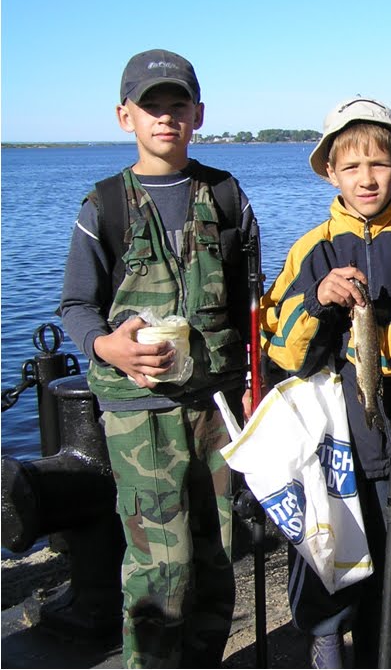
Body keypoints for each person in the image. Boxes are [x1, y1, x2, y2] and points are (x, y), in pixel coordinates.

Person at [59, 49, 255, 667]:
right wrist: (107, 346)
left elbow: (254, 300)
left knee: (219, 556)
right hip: (138, 414)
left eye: (177, 107)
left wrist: (257, 382)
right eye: (151, 108)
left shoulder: (225, 194)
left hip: (218, 407)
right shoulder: (103, 206)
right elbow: (75, 305)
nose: (165, 119)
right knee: (159, 570)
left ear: (198, 115)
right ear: (126, 117)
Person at [260, 97, 391, 668]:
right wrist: (317, 300)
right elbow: (281, 348)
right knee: (325, 544)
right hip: (327, 439)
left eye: (379, 165)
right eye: (352, 167)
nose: (367, 178)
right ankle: (326, 641)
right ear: (331, 173)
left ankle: (379, 639)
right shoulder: (311, 249)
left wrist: (378, 341)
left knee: (388, 547)